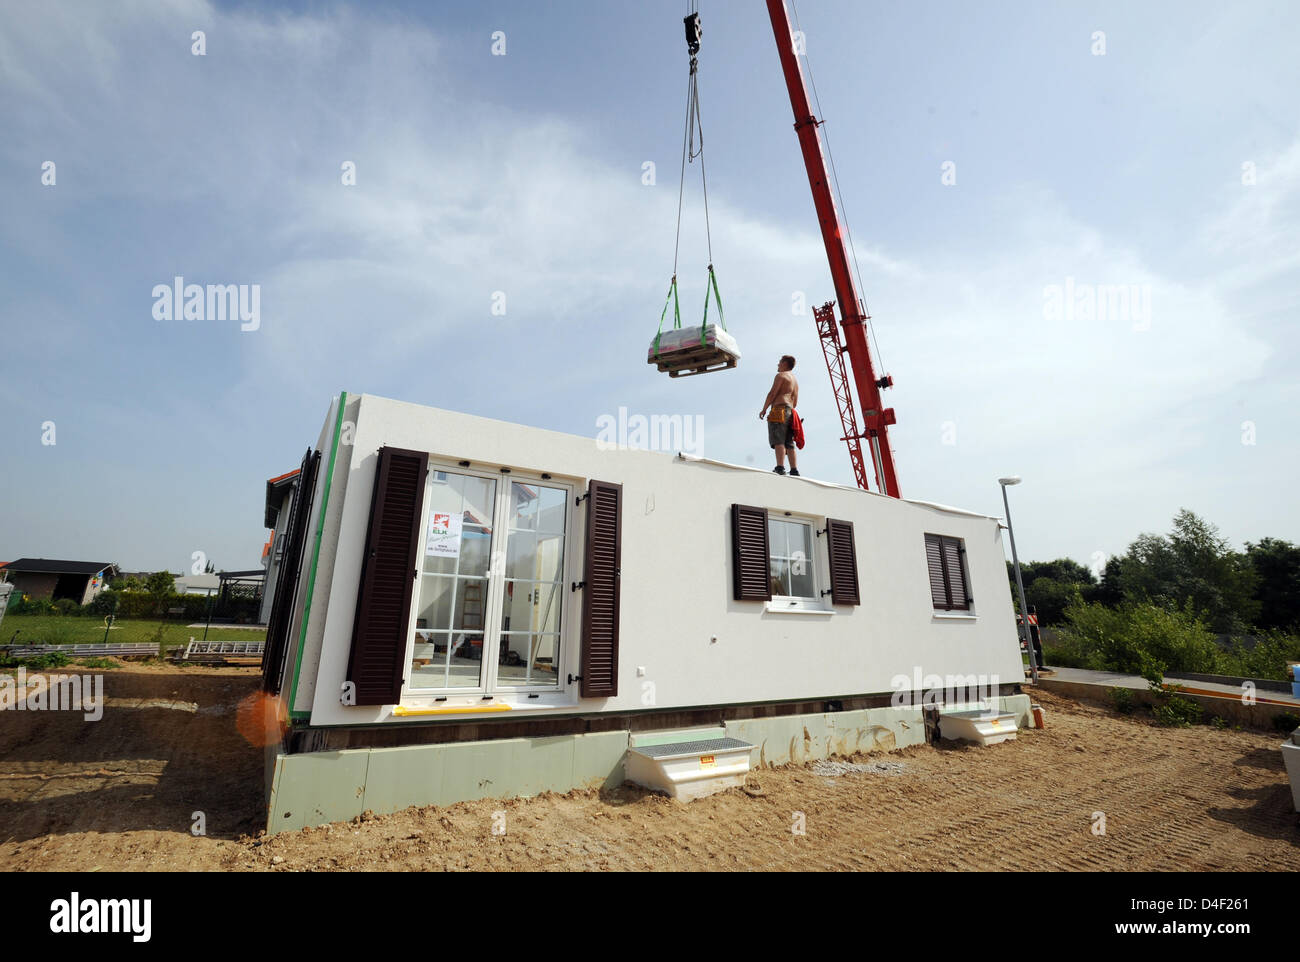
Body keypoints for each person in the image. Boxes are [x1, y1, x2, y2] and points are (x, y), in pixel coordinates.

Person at [759, 355, 800, 476]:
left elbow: (772, 393)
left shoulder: (781, 376)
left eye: (779, 362)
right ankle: (794, 470)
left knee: (778, 439)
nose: (778, 364)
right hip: (790, 411)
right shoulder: (795, 381)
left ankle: (780, 467)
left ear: (785, 363)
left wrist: (764, 409)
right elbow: (795, 402)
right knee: (789, 442)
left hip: (779, 410)